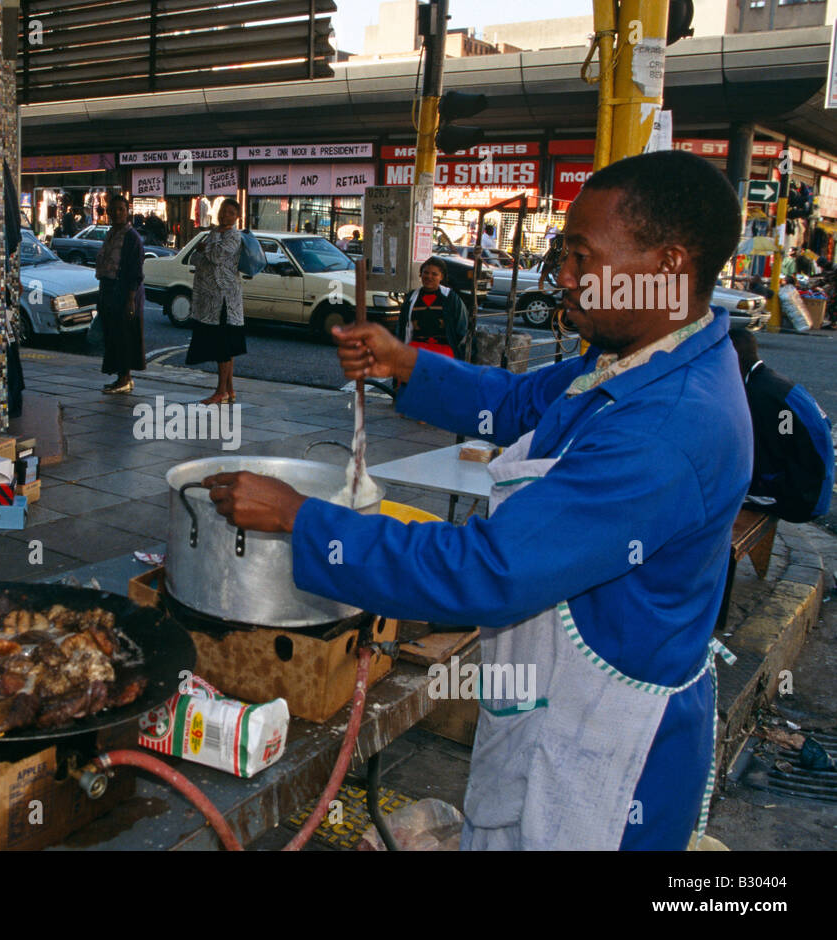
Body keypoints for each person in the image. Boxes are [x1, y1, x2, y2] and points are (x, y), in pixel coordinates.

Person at [201, 149, 751, 850]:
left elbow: (489, 570)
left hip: (612, 758)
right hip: (559, 709)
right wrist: (404, 362)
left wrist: (299, 518)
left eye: (584, 258)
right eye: (564, 256)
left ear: (669, 266)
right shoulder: (636, 354)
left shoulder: (670, 426)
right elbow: (520, 400)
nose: (568, 282)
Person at [728, 328, 833, 522]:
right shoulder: (774, 381)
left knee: (718, 498)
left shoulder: (759, 395)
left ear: (732, 359)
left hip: (801, 498)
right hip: (814, 487)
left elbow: (769, 453)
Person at [185, 196, 245, 404]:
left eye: (230, 212)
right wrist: (204, 250)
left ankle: (221, 391)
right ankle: (229, 389)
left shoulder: (233, 236)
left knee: (223, 347)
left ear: (237, 217)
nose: (225, 215)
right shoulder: (213, 233)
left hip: (224, 299)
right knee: (224, 346)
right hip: (209, 299)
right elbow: (195, 257)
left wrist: (206, 248)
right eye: (223, 211)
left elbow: (216, 256)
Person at [94, 194, 145, 394]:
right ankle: (122, 378)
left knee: (124, 336)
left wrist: (130, 299)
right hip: (109, 290)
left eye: (121, 210)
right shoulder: (111, 233)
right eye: (113, 210)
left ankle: (125, 379)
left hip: (124, 292)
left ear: (127, 212)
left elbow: (135, 271)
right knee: (114, 335)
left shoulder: (132, 237)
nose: (116, 213)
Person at [400, 256, 468, 358]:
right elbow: (402, 328)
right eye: (426, 273)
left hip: (444, 351)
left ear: (441, 277)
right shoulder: (411, 298)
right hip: (416, 350)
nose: (429, 277)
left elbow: (461, 328)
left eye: (434, 274)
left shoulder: (451, 298)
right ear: (421, 274)